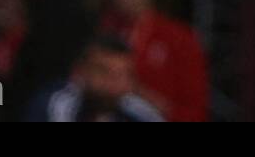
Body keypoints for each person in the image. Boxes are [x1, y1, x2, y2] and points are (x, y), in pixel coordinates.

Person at [27, 34, 164, 122]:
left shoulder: (141, 113)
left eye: (122, 75)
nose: (113, 83)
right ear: (79, 72)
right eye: (103, 71)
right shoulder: (56, 104)